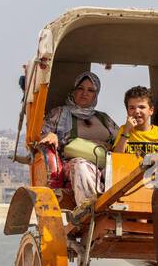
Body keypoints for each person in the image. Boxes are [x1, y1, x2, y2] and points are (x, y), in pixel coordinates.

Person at [38, 71, 119, 207]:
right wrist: (51, 135)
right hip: (73, 162)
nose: (84, 93)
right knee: (81, 166)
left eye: (90, 90)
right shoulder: (59, 113)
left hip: (104, 162)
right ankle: (88, 211)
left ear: (96, 95)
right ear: (74, 91)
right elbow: (41, 135)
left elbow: (119, 139)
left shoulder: (104, 118)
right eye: (80, 88)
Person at [113, 86, 158, 158]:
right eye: (132, 108)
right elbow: (116, 157)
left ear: (151, 110)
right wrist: (126, 132)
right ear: (127, 111)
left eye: (142, 107)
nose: (137, 111)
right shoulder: (124, 129)